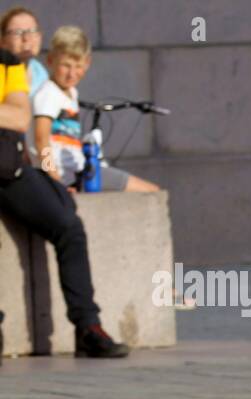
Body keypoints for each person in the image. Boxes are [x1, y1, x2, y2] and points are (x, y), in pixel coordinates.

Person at [0, 18, 127, 357]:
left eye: (30, 32)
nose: (25, 39)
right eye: (17, 32)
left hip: (7, 168)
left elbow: (17, 118)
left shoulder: (8, 66)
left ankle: (88, 327)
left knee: (68, 224)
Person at [34, 26, 158, 192]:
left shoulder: (71, 93)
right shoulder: (49, 94)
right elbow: (41, 140)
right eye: (66, 65)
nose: (72, 73)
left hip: (79, 172)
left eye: (78, 66)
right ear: (50, 61)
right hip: (64, 176)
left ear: (87, 63)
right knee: (150, 191)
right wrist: (54, 179)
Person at [1, 7, 46, 94]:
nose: (26, 38)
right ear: (2, 41)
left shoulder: (39, 71)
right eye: (17, 32)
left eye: (33, 31)